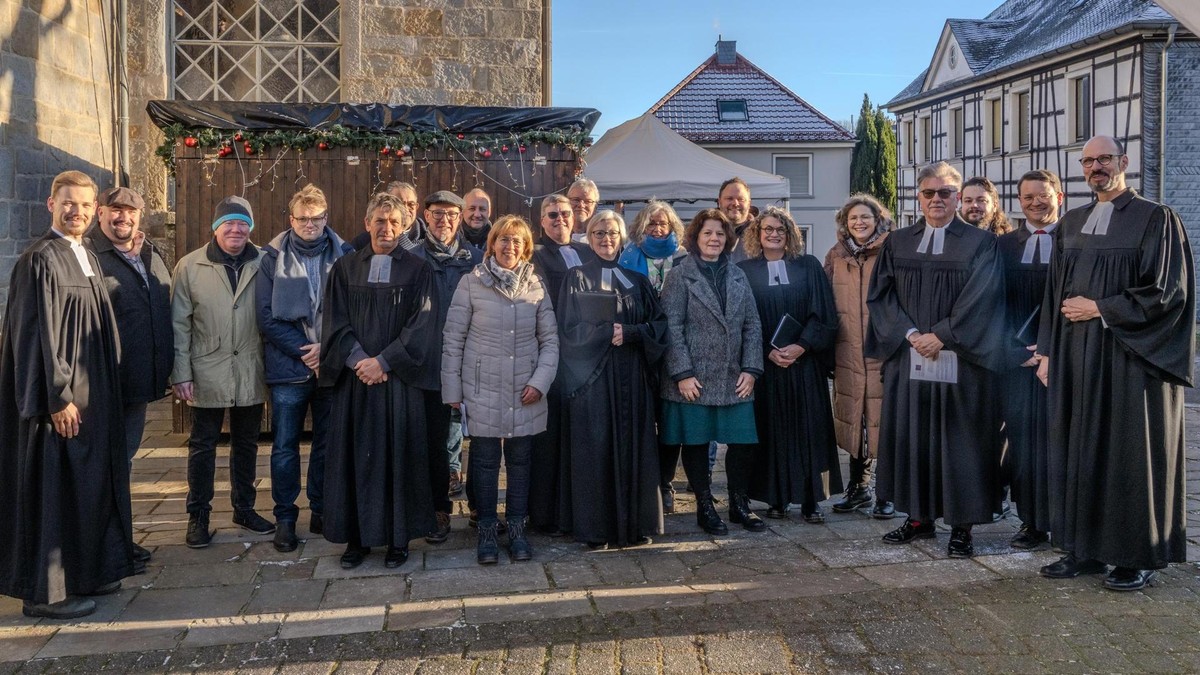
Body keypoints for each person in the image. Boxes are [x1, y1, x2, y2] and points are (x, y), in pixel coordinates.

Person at [1035, 135, 1195, 591]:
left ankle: (1134, 555)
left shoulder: (1156, 219)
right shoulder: (1072, 222)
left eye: (1104, 159)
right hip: (1073, 356)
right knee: (1078, 448)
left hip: (1131, 359)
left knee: (1128, 454)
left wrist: (1101, 309)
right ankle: (1083, 549)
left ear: (1124, 162)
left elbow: (1167, 292)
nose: (1095, 168)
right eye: (1087, 162)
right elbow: (1054, 295)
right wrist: (1046, 350)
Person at [0, 171, 134, 619]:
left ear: (95, 209)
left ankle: (86, 572)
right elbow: (34, 335)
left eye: (84, 205)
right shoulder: (39, 259)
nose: (76, 212)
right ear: (50, 204)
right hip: (61, 404)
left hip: (94, 399)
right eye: (68, 203)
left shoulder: (86, 254)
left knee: (88, 487)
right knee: (53, 492)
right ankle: (45, 594)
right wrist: (57, 398)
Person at [866, 162, 1006, 558]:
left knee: (961, 444)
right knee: (913, 439)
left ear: (958, 197)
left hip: (962, 363)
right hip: (909, 361)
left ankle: (961, 527)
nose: (937, 199)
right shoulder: (898, 242)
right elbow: (881, 297)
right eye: (929, 193)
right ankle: (917, 519)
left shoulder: (980, 243)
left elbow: (983, 299)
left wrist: (941, 336)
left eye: (945, 192)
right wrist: (912, 336)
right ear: (918, 197)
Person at [320, 192, 438, 570]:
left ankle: (397, 539)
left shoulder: (419, 271)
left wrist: (385, 362)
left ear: (403, 226)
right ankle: (356, 539)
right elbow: (334, 322)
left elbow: (423, 326)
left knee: (398, 459)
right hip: (356, 384)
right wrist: (360, 362)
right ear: (367, 223)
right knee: (355, 460)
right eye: (379, 221)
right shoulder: (346, 268)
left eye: (393, 222)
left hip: (398, 381)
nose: (386, 228)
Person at [441, 215, 559, 564]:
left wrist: (540, 382)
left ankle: (518, 528)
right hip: (484, 389)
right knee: (486, 461)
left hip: (526, 390)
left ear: (525, 248)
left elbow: (550, 341)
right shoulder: (471, 283)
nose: (510, 247)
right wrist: (453, 390)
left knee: (521, 462)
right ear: (492, 244)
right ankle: (488, 531)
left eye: (517, 241)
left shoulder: (536, 285)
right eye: (503, 240)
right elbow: (453, 339)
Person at [559, 210, 668, 548]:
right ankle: (597, 530)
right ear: (588, 239)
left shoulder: (637, 281)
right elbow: (568, 329)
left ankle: (636, 526)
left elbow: (659, 327)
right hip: (594, 380)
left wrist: (631, 332)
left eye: (612, 233)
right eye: (598, 233)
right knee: (596, 450)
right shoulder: (576, 277)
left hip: (633, 379)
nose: (606, 239)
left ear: (622, 238)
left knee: (636, 447)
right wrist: (607, 332)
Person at [171, 195, 273, 549]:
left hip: (249, 366)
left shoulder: (264, 261)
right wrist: (180, 373)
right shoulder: (189, 266)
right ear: (216, 228)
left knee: (247, 443)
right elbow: (179, 325)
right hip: (206, 369)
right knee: (203, 446)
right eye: (228, 223)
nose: (236, 229)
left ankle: (243, 507)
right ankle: (197, 515)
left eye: (242, 223)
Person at [256, 184, 352, 552]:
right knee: (284, 447)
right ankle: (285, 517)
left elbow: (350, 311)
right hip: (288, 369)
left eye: (316, 218)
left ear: (325, 218)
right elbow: (266, 315)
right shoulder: (271, 257)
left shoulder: (345, 254)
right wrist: (305, 351)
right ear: (291, 219)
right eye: (303, 218)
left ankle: (321, 508)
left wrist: (325, 351)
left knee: (327, 444)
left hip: (330, 365)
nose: (309, 224)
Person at [659, 208, 763, 535]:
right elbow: (671, 326)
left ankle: (738, 504)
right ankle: (705, 506)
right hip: (694, 377)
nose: (714, 238)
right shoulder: (679, 275)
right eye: (708, 233)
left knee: (744, 442)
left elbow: (752, 324)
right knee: (697, 442)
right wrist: (682, 373)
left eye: (720, 233)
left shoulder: (737, 275)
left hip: (734, 375)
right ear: (696, 237)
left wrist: (751, 368)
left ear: (728, 238)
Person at [86, 186, 173, 567]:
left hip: (138, 383)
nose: (123, 219)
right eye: (115, 211)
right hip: (104, 384)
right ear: (100, 213)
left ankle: (120, 539)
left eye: (131, 212)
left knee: (124, 464)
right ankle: (103, 547)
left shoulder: (150, 252)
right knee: (103, 466)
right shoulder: (89, 256)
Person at [739, 207, 840, 523]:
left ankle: (812, 499)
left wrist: (802, 346)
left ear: (790, 234)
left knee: (810, 430)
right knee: (771, 432)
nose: (773, 234)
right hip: (766, 366)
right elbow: (741, 318)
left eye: (780, 229)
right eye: (767, 229)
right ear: (757, 234)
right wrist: (764, 351)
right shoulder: (745, 271)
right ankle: (777, 497)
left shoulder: (808, 266)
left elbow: (823, 312)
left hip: (804, 365)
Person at [995, 170, 1063, 551]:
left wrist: (1051, 349)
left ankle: (1065, 520)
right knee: (1023, 446)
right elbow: (992, 303)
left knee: (1061, 443)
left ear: (1059, 196)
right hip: (1016, 365)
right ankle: (1031, 522)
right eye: (1027, 197)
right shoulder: (1004, 246)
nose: (1035, 203)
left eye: (1042, 195)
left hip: (1061, 364)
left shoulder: (1075, 241)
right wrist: (1011, 350)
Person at [412, 190, 482, 545]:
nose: (444, 221)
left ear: (460, 219)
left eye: (451, 215)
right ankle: (439, 508)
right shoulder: (411, 258)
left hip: (476, 362)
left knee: (484, 439)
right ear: (425, 216)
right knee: (437, 442)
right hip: (431, 366)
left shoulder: (477, 259)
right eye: (437, 214)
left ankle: (481, 508)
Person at [824, 194, 894, 520]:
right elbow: (824, 302)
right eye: (853, 218)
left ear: (877, 219)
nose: (859, 223)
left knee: (885, 420)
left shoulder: (892, 251)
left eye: (865, 217)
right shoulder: (836, 256)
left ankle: (887, 492)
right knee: (856, 419)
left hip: (883, 351)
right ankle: (858, 487)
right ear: (845, 222)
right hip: (847, 349)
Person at [528, 194, 596, 535]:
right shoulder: (535, 255)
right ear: (542, 221)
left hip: (586, 358)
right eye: (552, 215)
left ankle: (578, 508)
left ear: (575, 218)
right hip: (553, 355)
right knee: (549, 438)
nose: (559, 220)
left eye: (565, 214)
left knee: (579, 436)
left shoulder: (587, 251)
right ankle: (547, 514)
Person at [617, 201, 689, 514]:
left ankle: (666, 483)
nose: (657, 229)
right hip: (642, 348)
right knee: (644, 420)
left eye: (663, 224)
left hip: (676, 349)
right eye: (651, 224)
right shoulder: (628, 257)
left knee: (671, 422)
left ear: (673, 227)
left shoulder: (685, 257)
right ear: (640, 227)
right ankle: (644, 482)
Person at [351, 181, 421, 251]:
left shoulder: (428, 240)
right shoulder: (363, 242)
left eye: (411, 204)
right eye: (399, 203)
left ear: (416, 207)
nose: (405, 209)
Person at [719, 177, 753, 261]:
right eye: (729, 198)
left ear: (749, 204)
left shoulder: (761, 235)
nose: (735, 203)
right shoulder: (703, 233)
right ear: (719, 202)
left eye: (741, 199)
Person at [567, 178, 600, 242]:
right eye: (576, 200)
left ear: (595, 206)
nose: (581, 205)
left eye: (588, 201)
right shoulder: (557, 238)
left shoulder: (603, 240)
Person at [462, 187, 492, 254]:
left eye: (482, 209)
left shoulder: (497, 241)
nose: (477, 215)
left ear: (489, 212)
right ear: (463, 211)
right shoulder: (451, 240)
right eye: (472, 209)